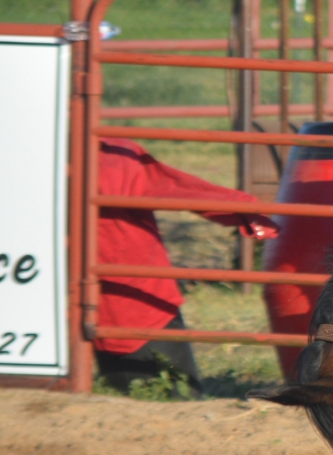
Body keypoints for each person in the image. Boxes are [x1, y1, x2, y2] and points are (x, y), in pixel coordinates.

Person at [94, 139, 278, 397]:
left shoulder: (42, 162)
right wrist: (242, 207)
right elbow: (171, 185)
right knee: (181, 396)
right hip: (138, 294)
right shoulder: (110, 155)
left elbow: (171, 186)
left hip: (85, 300)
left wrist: (239, 208)